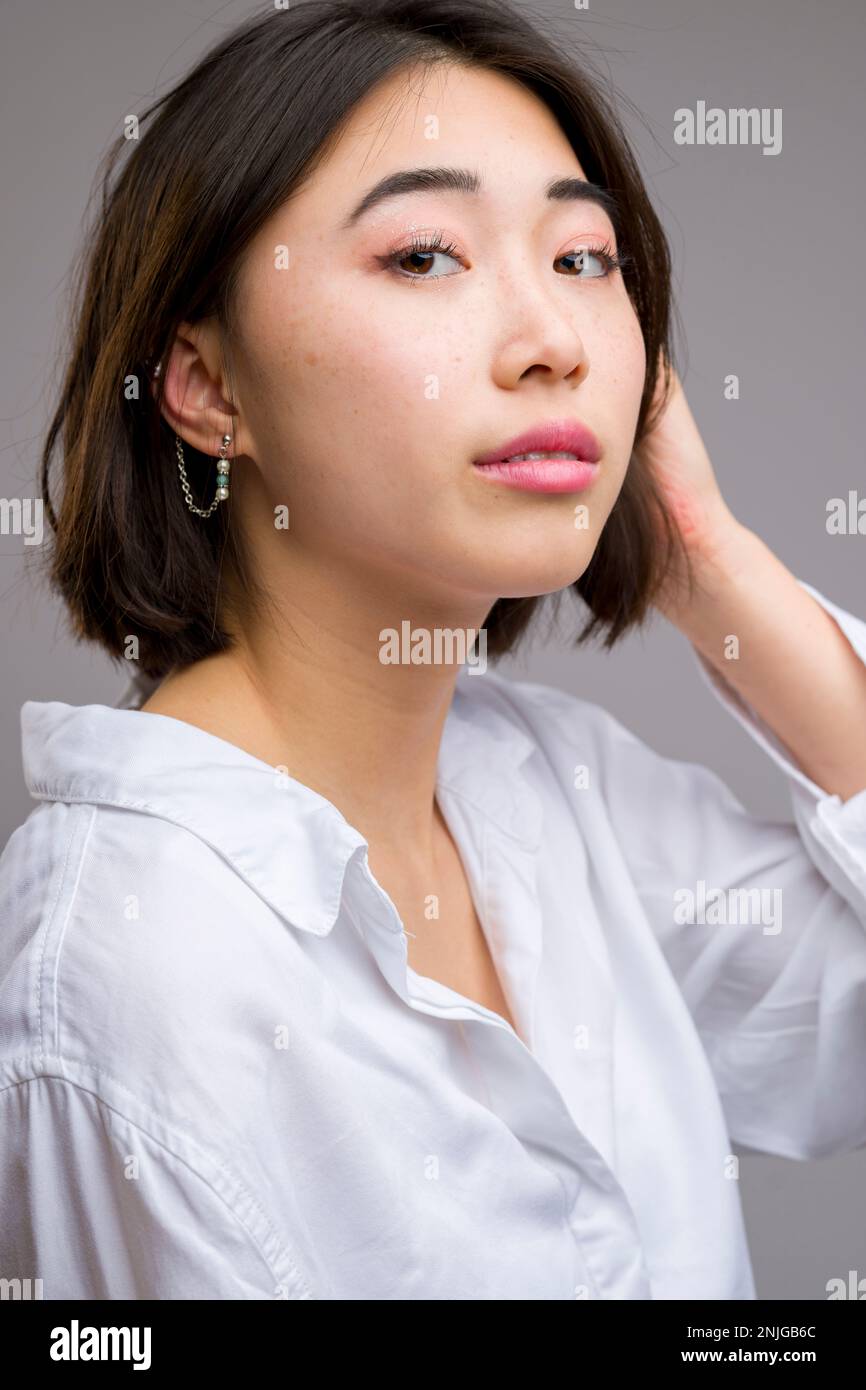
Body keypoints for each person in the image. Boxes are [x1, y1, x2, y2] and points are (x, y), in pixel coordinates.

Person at [1, 0, 865, 1300]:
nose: (554, 343)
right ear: (207, 387)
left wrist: (707, 559)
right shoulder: (135, 970)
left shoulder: (556, 790)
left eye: (584, 257)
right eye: (421, 255)